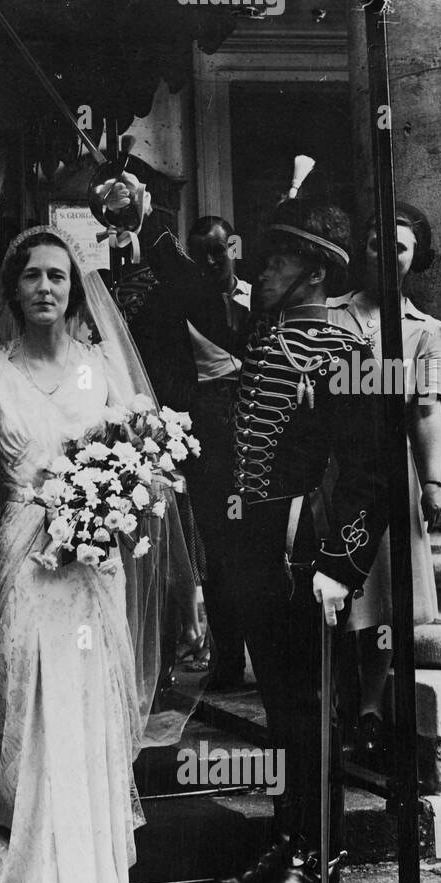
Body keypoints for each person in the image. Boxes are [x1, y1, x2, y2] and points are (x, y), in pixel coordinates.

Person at [0, 226, 195, 883]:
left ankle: (90, 870)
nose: (46, 288)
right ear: (12, 289)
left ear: (74, 289)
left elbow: (141, 465)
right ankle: (37, 857)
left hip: (92, 563)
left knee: (86, 699)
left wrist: (110, 509)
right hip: (25, 553)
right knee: (31, 693)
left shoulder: (101, 368)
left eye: (58, 276)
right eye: (31, 277)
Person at [208, 199, 389, 883]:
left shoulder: (347, 355)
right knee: (278, 704)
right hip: (254, 541)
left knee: (311, 703)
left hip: (305, 545)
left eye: (280, 258)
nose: (265, 268)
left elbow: (371, 473)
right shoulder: (265, 337)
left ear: (313, 271)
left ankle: (320, 854)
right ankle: (286, 841)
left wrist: (342, 566)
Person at [327, 203, 441, 763]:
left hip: (390, 471)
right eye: (377, 243)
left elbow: (425, 410)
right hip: (331, 467)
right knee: (331, 587)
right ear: (364, 248)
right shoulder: (327, 315)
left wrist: (433, 484)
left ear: (413, 258)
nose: (386, 254)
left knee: (380, 596)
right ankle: (329, 704)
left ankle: (370, 707)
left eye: (399, 247)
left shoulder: (426, 332)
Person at [183, 216, 253, 691]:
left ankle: (266, 660)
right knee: (217, 554)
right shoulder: (185, 306)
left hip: (259, 438)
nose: (210, 263)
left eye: (217, 251)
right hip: (209, 440)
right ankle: (227, 659)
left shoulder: (262, 298)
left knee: (257, 554)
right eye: (200, 255)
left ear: (234, 245)